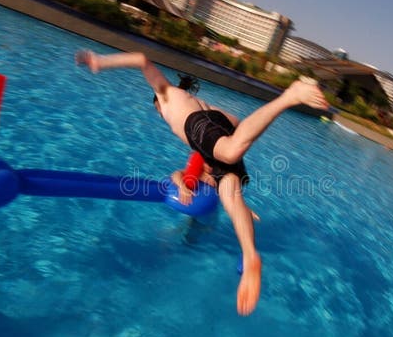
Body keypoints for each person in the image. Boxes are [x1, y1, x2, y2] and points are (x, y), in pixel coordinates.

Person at [75, 49, 329, 315]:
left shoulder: (166, 94)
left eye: (157, 111)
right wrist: (210, 153)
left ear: (157, 104)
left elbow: (141, 59)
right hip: (217, 126)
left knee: (231, 151)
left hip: (200, 127)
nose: (160, 115)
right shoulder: (195, 101)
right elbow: (235, 123)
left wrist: (99, 62)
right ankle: (250, 255)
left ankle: (290, 96)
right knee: (231, 197)